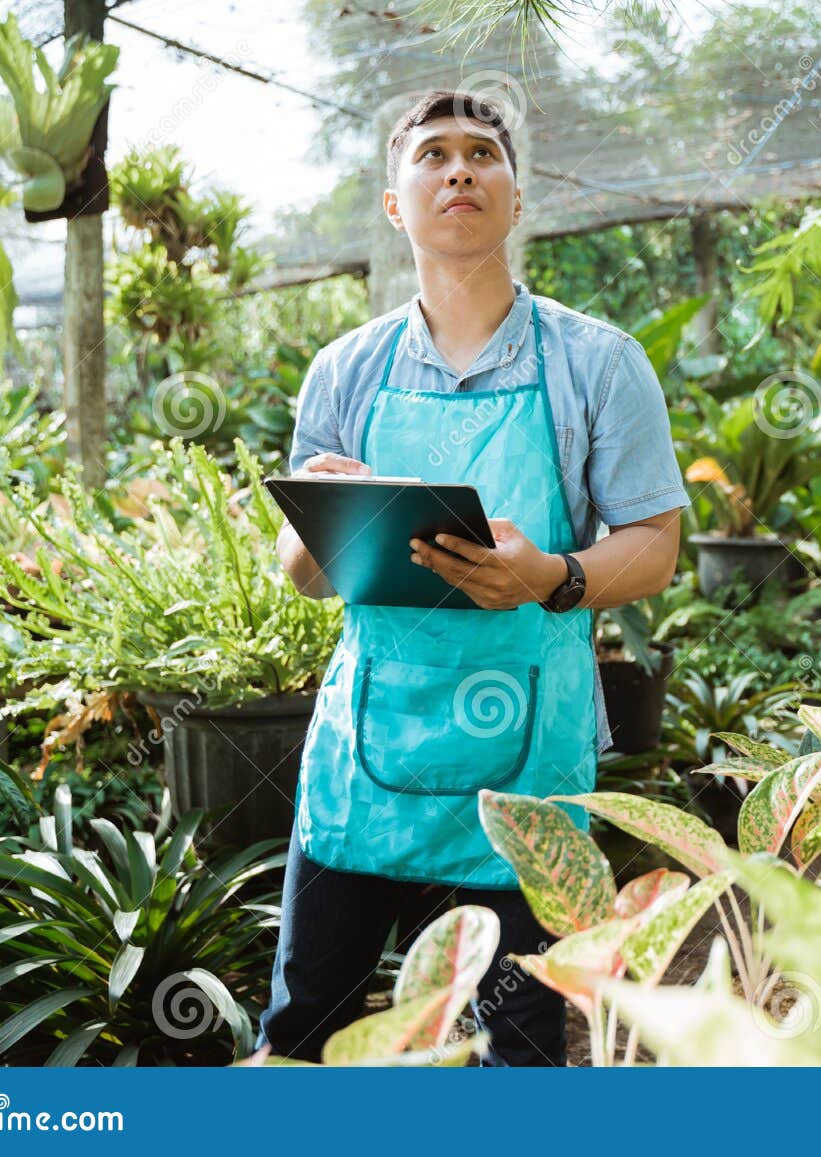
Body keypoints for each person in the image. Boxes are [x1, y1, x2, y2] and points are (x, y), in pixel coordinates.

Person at [255, 89, 687, 1067]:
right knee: (304, 1022)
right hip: (370, 740)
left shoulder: (598, 364)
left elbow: (654, 542)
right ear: (395, 204)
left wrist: (553, 575)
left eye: (483, 154)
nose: (459, 170)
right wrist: (325, 517)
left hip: (528, 748)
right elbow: (304, 578)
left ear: (516, 197)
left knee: (522, 1034)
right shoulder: (344, 371)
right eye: (434, 155)